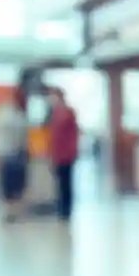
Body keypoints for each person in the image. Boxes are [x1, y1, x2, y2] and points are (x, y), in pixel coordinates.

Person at [0, 93, 30, 223]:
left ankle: (7, 211)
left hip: (4, 154)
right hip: (16, 154)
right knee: (15, 186)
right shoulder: (20, 117)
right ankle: (14, 211)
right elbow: (23, 138)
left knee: (5, 185)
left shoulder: (0, 115)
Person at [47, 88, 80, 221]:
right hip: (57, 153)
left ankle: (66, 209)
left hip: (67, 154)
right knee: (59, 182)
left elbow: (73, 134)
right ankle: (61, 207)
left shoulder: (67, 113)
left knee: (66, 182)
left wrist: (73, 151)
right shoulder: (54, 113)